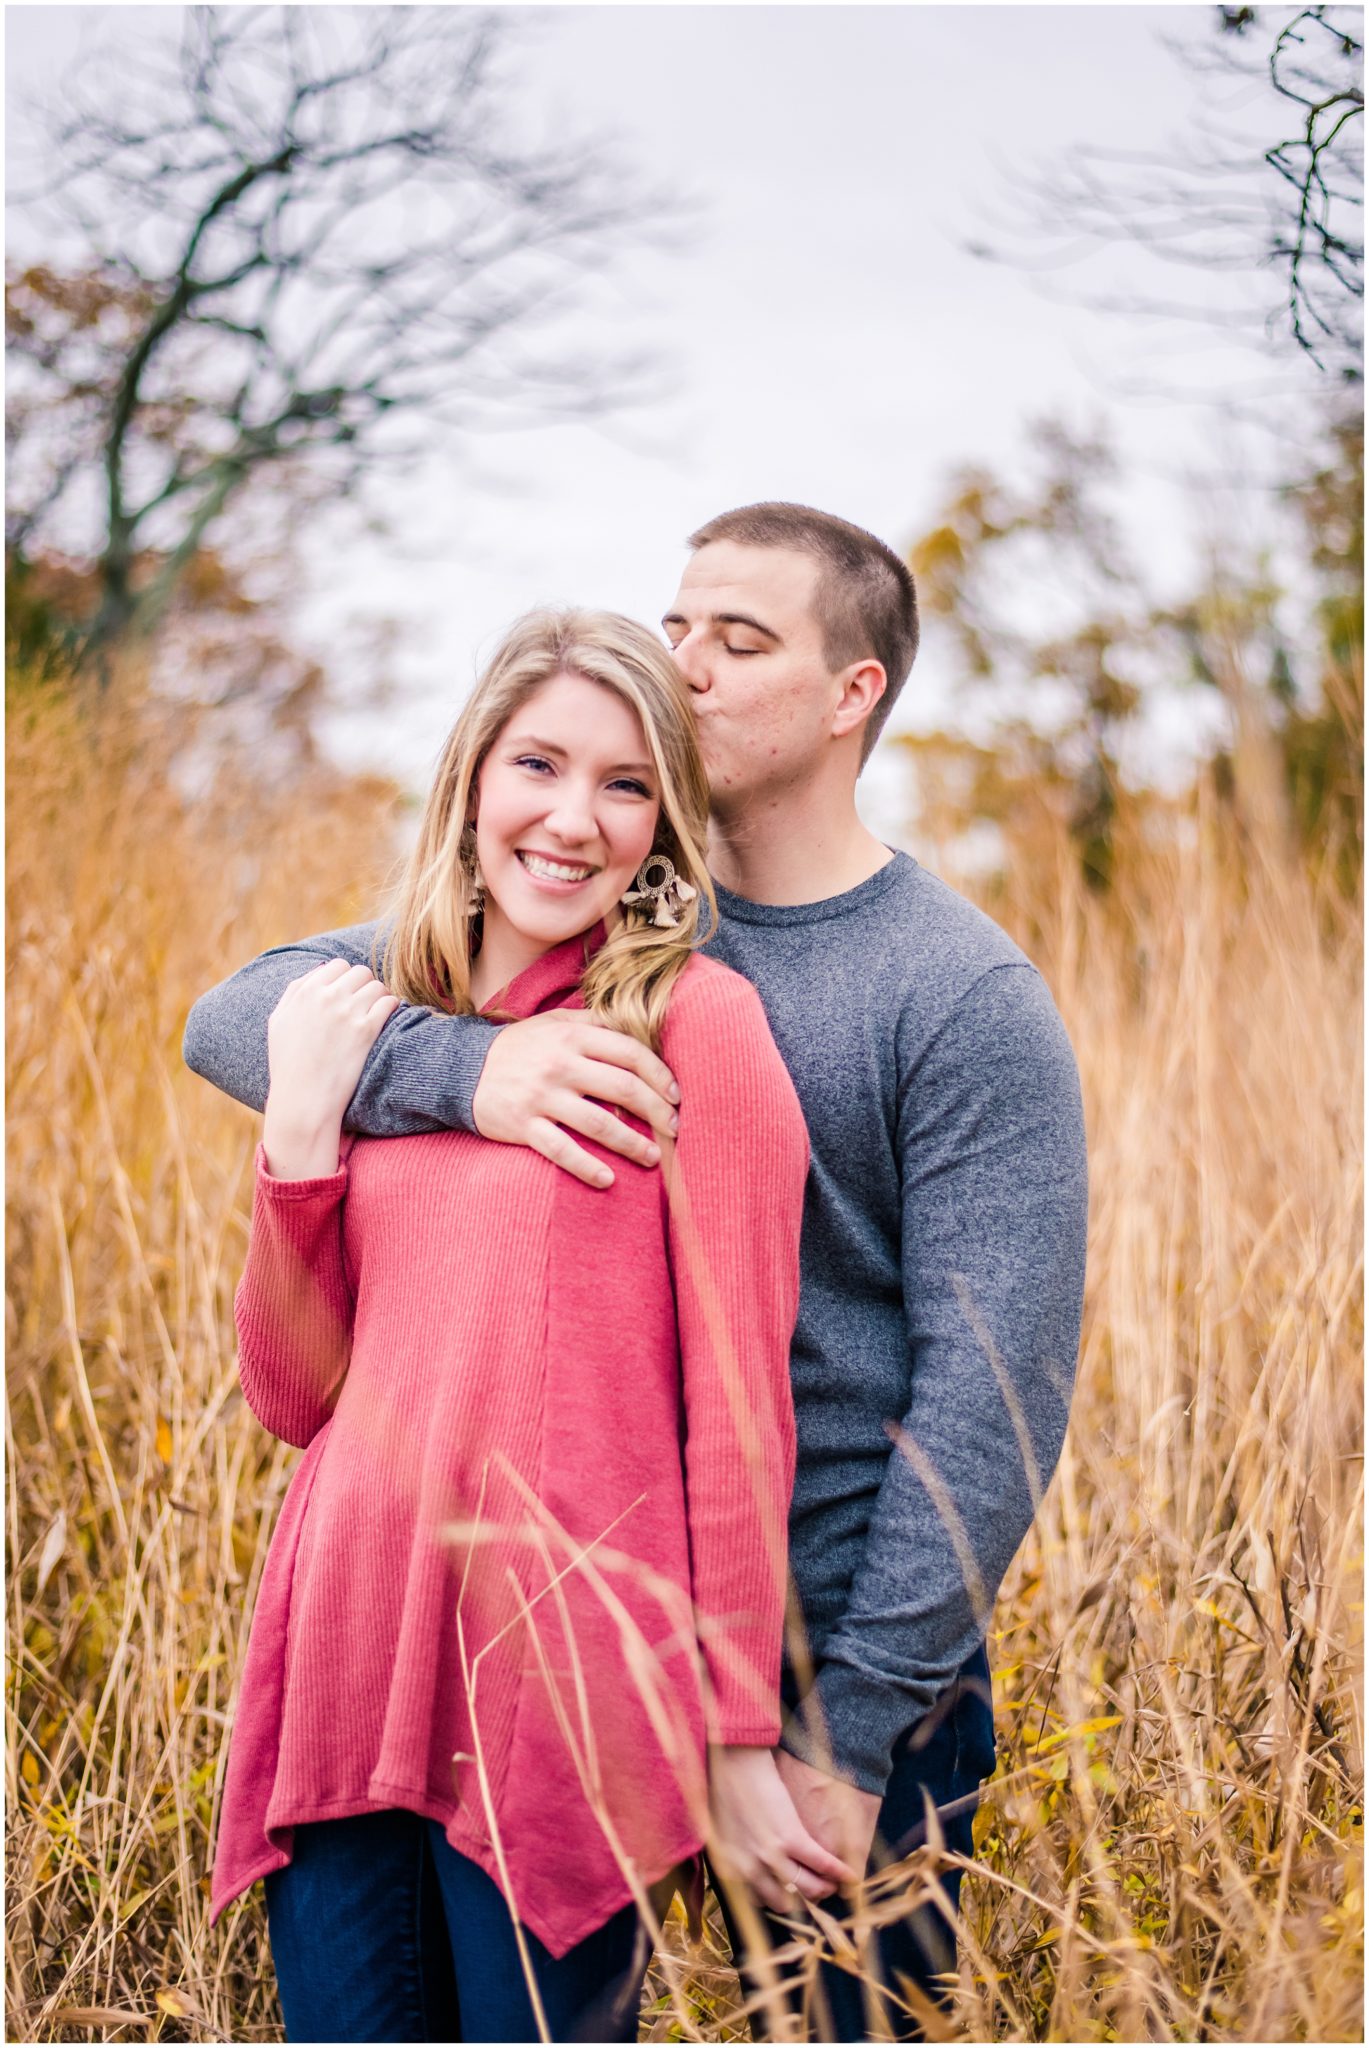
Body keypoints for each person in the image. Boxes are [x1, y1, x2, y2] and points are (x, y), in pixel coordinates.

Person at [186, 504, 1090, 2042]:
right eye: (675, 628)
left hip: (822, 1639)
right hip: (480, 1625)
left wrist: (834, 1731)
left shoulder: (944, 994)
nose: (686, 665)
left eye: (737, 643)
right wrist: (469, 1074)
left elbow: (988, 1401)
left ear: (851, 692)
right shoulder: (575, 925)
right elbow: (248, 1013)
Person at [195, 608, 823, 2043]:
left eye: (623, 784)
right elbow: (298, 1396)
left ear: (662, 824)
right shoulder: (366, 1027)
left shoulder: (693, 1030)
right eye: (537, 763)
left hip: (559, 1685)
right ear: (472, 775)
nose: (570, 820)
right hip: (350, 1644)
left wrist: (733, 1738)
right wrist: (299, 1128)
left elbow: (738, 1415)